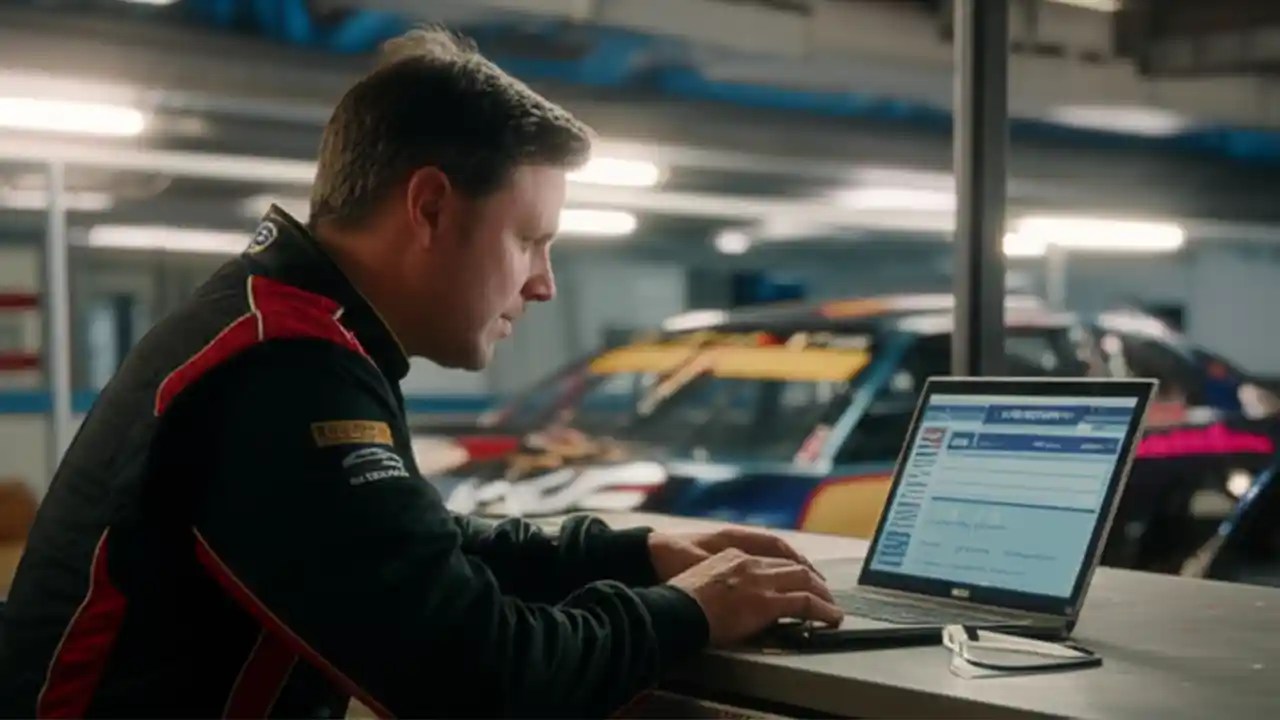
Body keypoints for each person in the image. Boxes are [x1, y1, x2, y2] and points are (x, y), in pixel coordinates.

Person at [0, 27, 841, 718]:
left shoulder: (280, 324)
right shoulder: (281, 373)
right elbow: (484, 682)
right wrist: (694, 609)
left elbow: (416, 556)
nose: (543, 282)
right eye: (529, 239)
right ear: (430, 206)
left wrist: (637, 552)